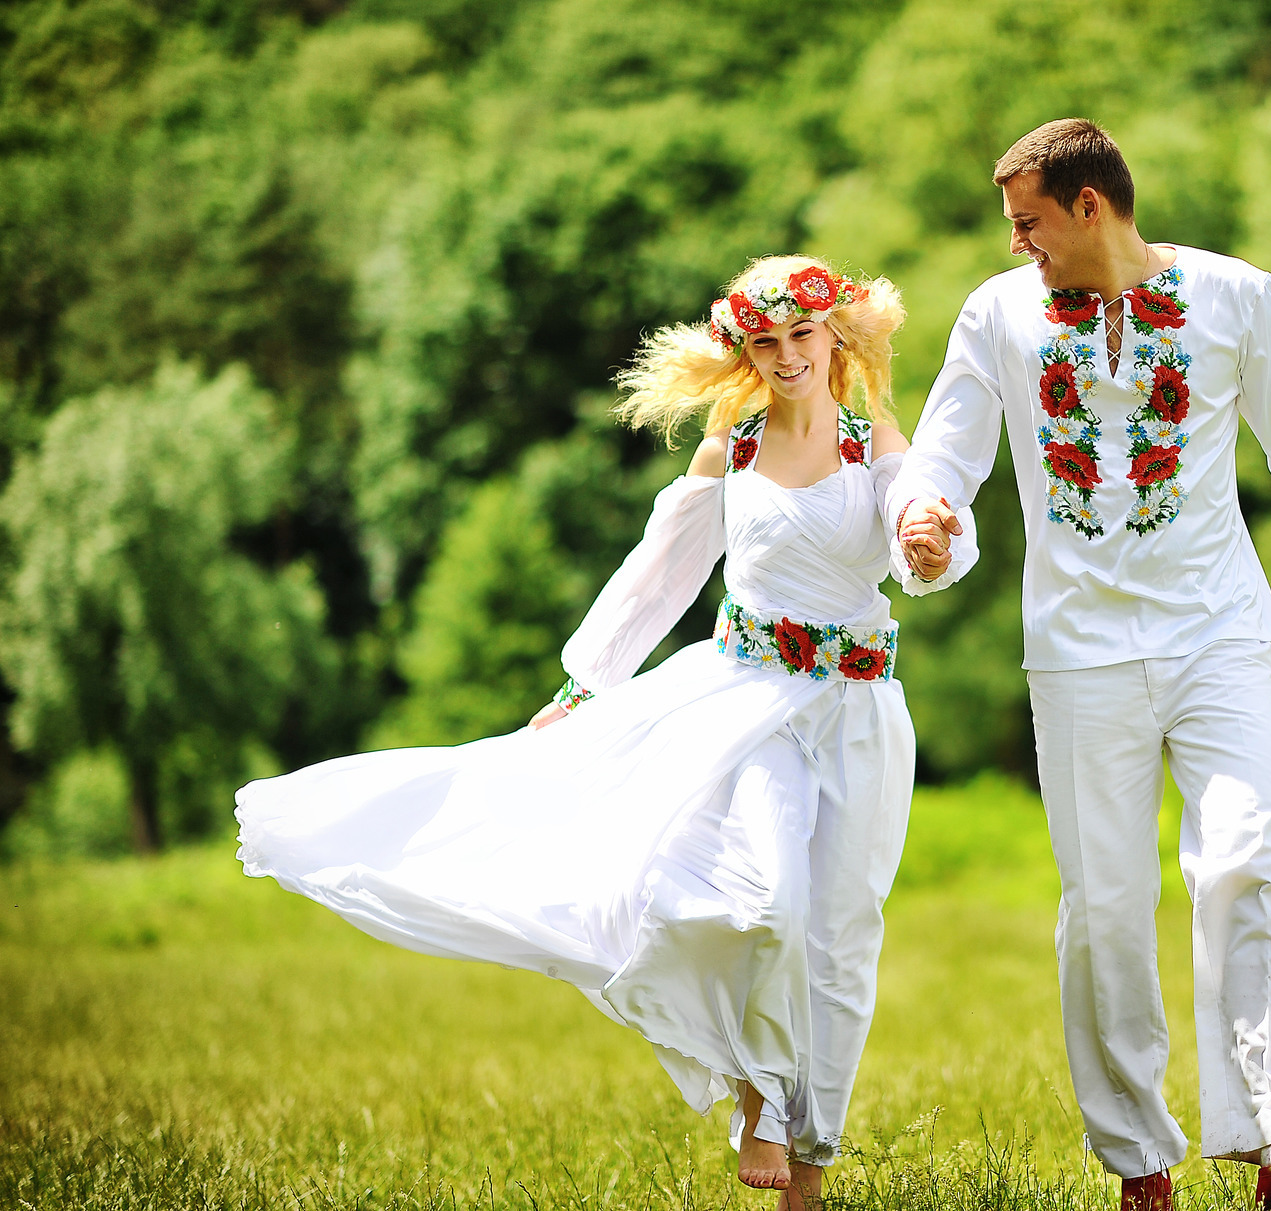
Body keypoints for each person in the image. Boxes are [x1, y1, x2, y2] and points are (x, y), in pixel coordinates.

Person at [237, 255, 969, 1211]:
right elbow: (659, 574)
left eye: (804, 335)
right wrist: (585, 685)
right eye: (767, 340)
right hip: (746, 706)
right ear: (745, 349)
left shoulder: (880, 448)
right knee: (770, 903)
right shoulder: (732, 452)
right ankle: (758, 1090)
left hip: (859, 717)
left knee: (840, 939)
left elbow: (922, 523)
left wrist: (930, 541)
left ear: (838, 336)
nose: (788, 356)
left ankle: (809, 1179)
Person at [885, 120, 1271, 1211]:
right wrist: (926, 517)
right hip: (1075, 654)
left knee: (1248, 858)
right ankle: (1140, 1157)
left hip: (1217, 634)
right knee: (1102, 908)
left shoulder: (1239, 296)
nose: (1017, 246)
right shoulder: (995, 314)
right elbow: (946, 447)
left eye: (1028, 223)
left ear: (1089, 205)